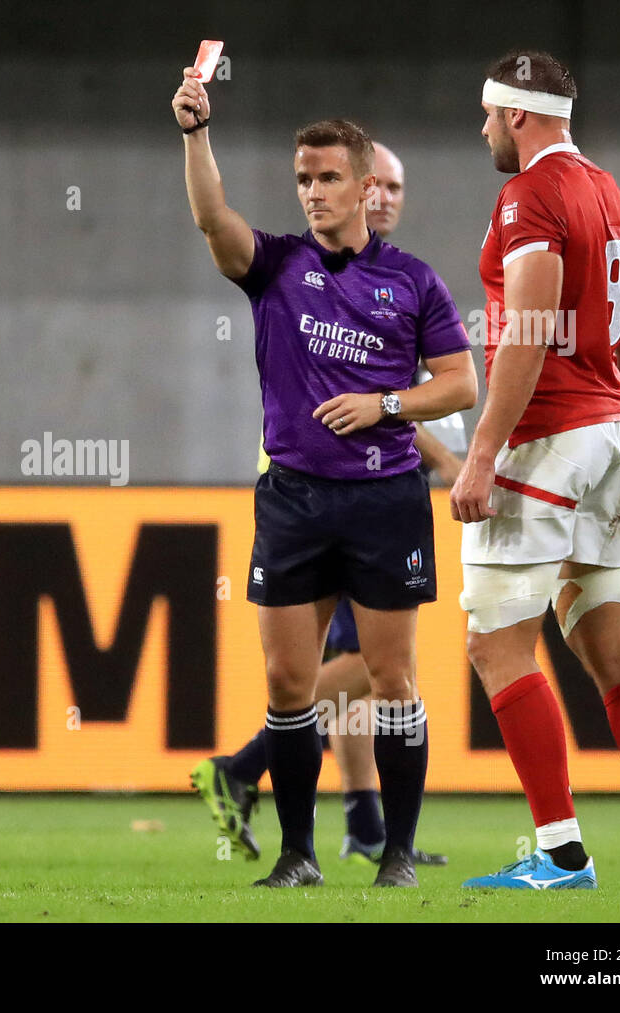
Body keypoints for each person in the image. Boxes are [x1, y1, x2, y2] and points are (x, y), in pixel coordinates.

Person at [173, 67, 477, 888]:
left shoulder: (412, 279)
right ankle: (298, 855)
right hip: (295, 499)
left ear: (367, 188)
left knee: (391, 678)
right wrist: (197, 133)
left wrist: (384, 404)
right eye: (303, 179)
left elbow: (461, 383)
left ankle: (399, 854)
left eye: (329, 177)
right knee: (287, 680)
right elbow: (210, 216)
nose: (313, 192)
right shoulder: (275, 265)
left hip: (385, 499)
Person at [452, 50, 620, 889]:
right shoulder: (614, 196)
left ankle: (559, 853)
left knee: (496, 643)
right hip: (616, 433)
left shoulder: (530, 196)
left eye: (488, 114)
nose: (483, 128)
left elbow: (525, 331)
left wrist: (482, 453)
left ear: (516, 114)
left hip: (549, 436)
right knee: (606, 640)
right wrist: (618, 436)